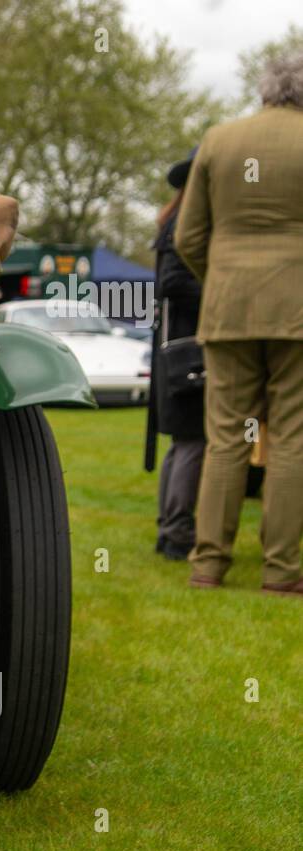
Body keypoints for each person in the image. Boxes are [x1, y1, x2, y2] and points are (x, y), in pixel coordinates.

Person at [175, 52, 303, 595]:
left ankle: (208, 565)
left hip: (227, 310)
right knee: (294, 439)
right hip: (297, 309)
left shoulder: (218, 139)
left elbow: (186, 239)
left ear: (265, 88)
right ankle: (282, 572)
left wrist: (222, 281)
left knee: (224, 438)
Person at [149, 149, 204, 561]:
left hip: (175, 349)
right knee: (192, 442)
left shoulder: (174, 220)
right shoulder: (186, 223)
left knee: (182, 443)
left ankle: (170, 528)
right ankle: (177, 533)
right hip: (187, 349)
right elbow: (172, 283)